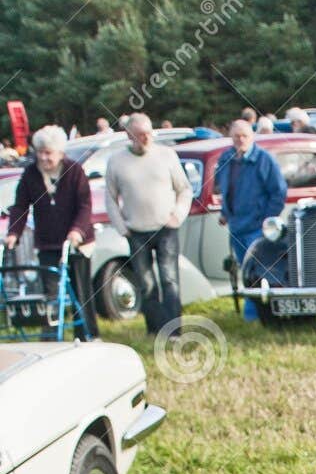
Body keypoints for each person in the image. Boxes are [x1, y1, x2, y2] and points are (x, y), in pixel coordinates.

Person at [2, 124, 98, 337]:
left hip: (77, 242)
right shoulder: (30, 174)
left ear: (60, 153)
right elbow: (20, 205)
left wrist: (76, 231)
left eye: (49, 153)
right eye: (40, 153)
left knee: (80, 291)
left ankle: (87, 335)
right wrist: (13, 232)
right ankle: (50, 335)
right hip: (47, 241)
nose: (44, 158)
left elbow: (85, 206)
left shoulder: (75, 172)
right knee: (50, 291)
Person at [104, 112, 192, 335]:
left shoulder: (167, 155)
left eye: (148, 134)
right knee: (146, 283)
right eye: (140, 135)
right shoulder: (116, 161)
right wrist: (121, 227)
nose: (145, 139)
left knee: (169, 280)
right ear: (129, 135)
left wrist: (177, 215)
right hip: (136, 230)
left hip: (166, 228)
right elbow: (111, 198)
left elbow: (184, 189)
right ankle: (155, 329)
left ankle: (174, 331)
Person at [214, 118, 288, 322]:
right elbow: (226, 189)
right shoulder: (226, 159)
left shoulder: (265, 160)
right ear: (231, 137)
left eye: (244, 136)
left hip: (256, 227)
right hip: (236, 226)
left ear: (252, 137)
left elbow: (278, 193)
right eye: (236, 136)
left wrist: (266, 220)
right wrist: (225, 213)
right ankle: (253, 313)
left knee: (256, 270)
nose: (240, 140)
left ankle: (254, 314)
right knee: (243, 269)